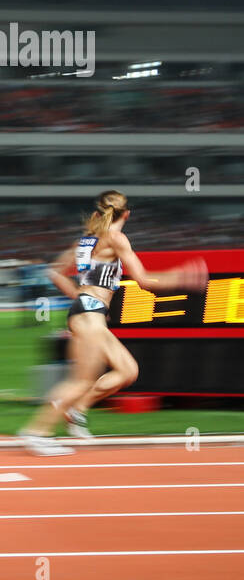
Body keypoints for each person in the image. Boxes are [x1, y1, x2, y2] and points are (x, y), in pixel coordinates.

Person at [17, 190, 206, 455]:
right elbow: (143, 280)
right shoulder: (116, 238)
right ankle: (37, 432)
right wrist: (180, 279)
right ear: (126, 214)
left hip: (88, 313)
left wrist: (80, 296)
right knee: (81, 380)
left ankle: (76, 409)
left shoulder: (85, 240)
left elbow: (54, 272)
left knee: (127, 370)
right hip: (89, 316)